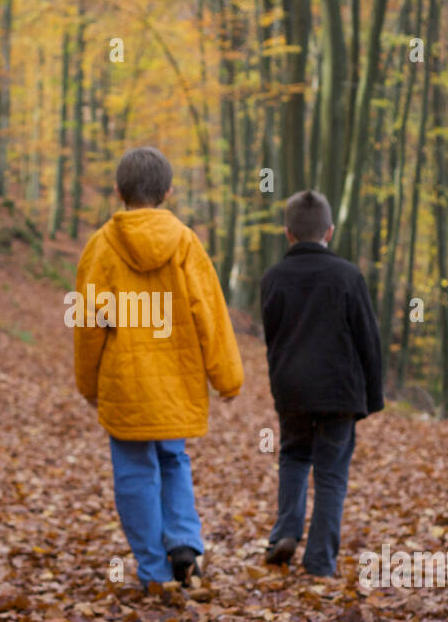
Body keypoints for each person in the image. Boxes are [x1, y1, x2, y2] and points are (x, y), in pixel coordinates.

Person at [71, 146, 243, 598]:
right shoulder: (185, 242)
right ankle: (185, 543)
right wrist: (226, 377)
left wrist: (88, 383)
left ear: (117, 191)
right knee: (173, 457)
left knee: (133, 470)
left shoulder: (101, 247)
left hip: (126, 383)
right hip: (176, 381)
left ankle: (154, 571)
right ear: (168, 192)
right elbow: (209, 311)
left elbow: (89, 324)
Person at [260, 188, 383, 577]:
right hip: (340, 393)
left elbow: (272, 335)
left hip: (293, 388)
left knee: (294, 456)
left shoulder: (274, 278)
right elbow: (369, 339)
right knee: (332, 474)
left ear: (288, 233)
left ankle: (285, 531)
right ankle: (319, 561)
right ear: (328, 231)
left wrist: (280, 382)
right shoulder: (348, 277)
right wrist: (373, 395)